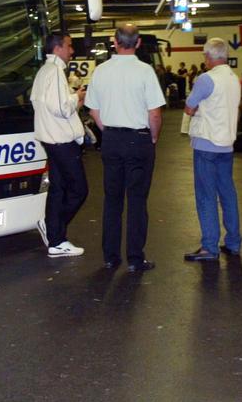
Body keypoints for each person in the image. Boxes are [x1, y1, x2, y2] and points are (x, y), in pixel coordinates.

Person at [85, 24, 166, 273]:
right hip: (139, 140)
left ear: (114, 41)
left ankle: (110, 257)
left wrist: (107, 130)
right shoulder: (145, 71)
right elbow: (154, 113)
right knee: (137, 200)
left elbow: (93, 110)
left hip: (111, 140)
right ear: (138, 42)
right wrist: (152, 138)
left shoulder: (101, 71)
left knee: (112, 200)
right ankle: (134, 258)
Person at [183, 38, 242, 262]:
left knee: (206, 196)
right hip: (226, 144)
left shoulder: (206, 79)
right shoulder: (234, 79)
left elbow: (189, 107)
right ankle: (233, 241)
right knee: (228, 194)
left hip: (207, 143)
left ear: (208, 57)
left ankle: (210, 246)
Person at [30, 32, 87, 258]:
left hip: (49, 139)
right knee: (80, 190)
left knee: (58, 189)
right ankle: (55, 231)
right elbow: (61, 108)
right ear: (58, 48)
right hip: (62, 141)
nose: (72, 51)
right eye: (69, 46)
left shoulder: (43, 72)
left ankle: (55, 240)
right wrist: (77, 97)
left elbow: (43, 105)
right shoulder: (55, 72)